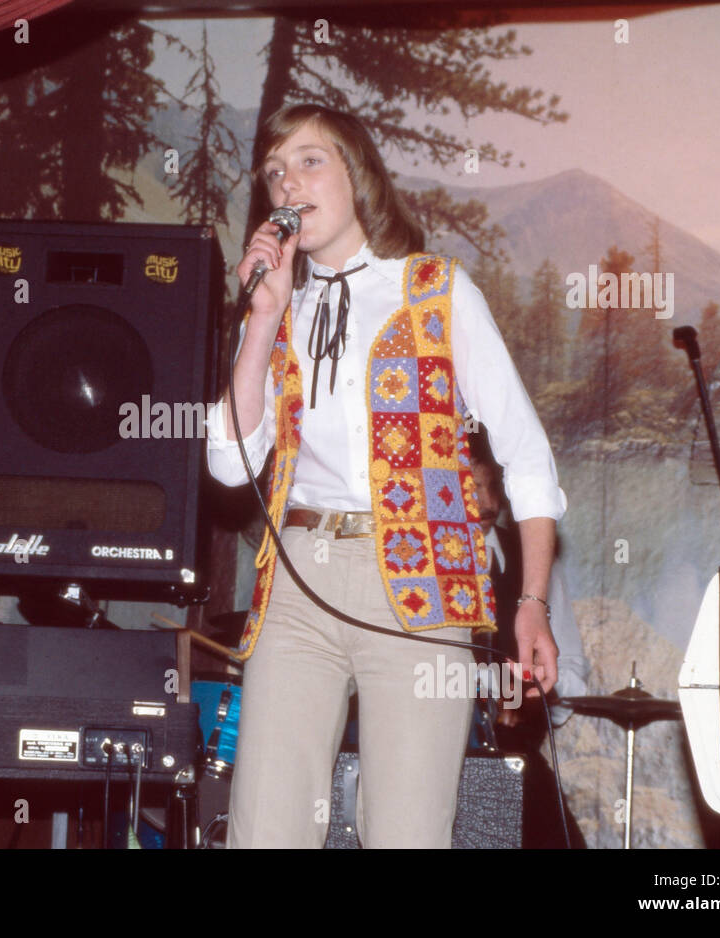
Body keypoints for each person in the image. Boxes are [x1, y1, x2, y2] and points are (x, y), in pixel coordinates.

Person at [204, 104, 567, 848]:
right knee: (263, 827)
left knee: (406, 829)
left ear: (356, 174)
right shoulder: (280, 305)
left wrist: (530, 602)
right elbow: (225, 463)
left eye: (309, 161)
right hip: (299, 580)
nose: (288, 183)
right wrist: (263, 320)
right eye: (275, 171)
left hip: (421, 582)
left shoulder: (434, 290)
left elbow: (526, 453)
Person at [469, 427, 588, 847]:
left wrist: (534, 692)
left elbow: (572, 670)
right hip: (440, 757)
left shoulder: (536, 566)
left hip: (515, 755)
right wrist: (492, 689)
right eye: (471, 486)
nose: (486, 502)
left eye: (494, 486)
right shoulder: (418, 566)